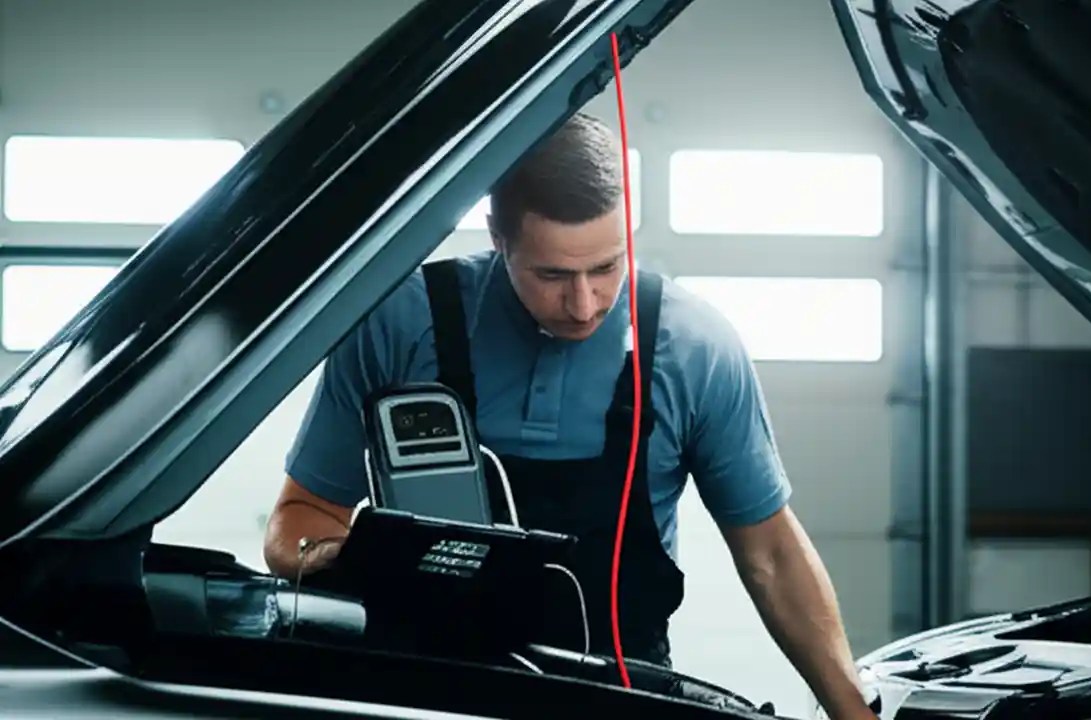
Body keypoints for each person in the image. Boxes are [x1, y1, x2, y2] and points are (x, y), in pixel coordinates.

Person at [263, 112, 877, 720]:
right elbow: (298, 521)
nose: (584, 305)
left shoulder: (694, 349)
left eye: (606, 268)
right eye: (552, 274)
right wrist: (348, 560)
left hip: (619, 699)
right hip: (428, 699)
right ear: (497, 237)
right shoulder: (398, 323)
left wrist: (854, 715)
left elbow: (770, 554)